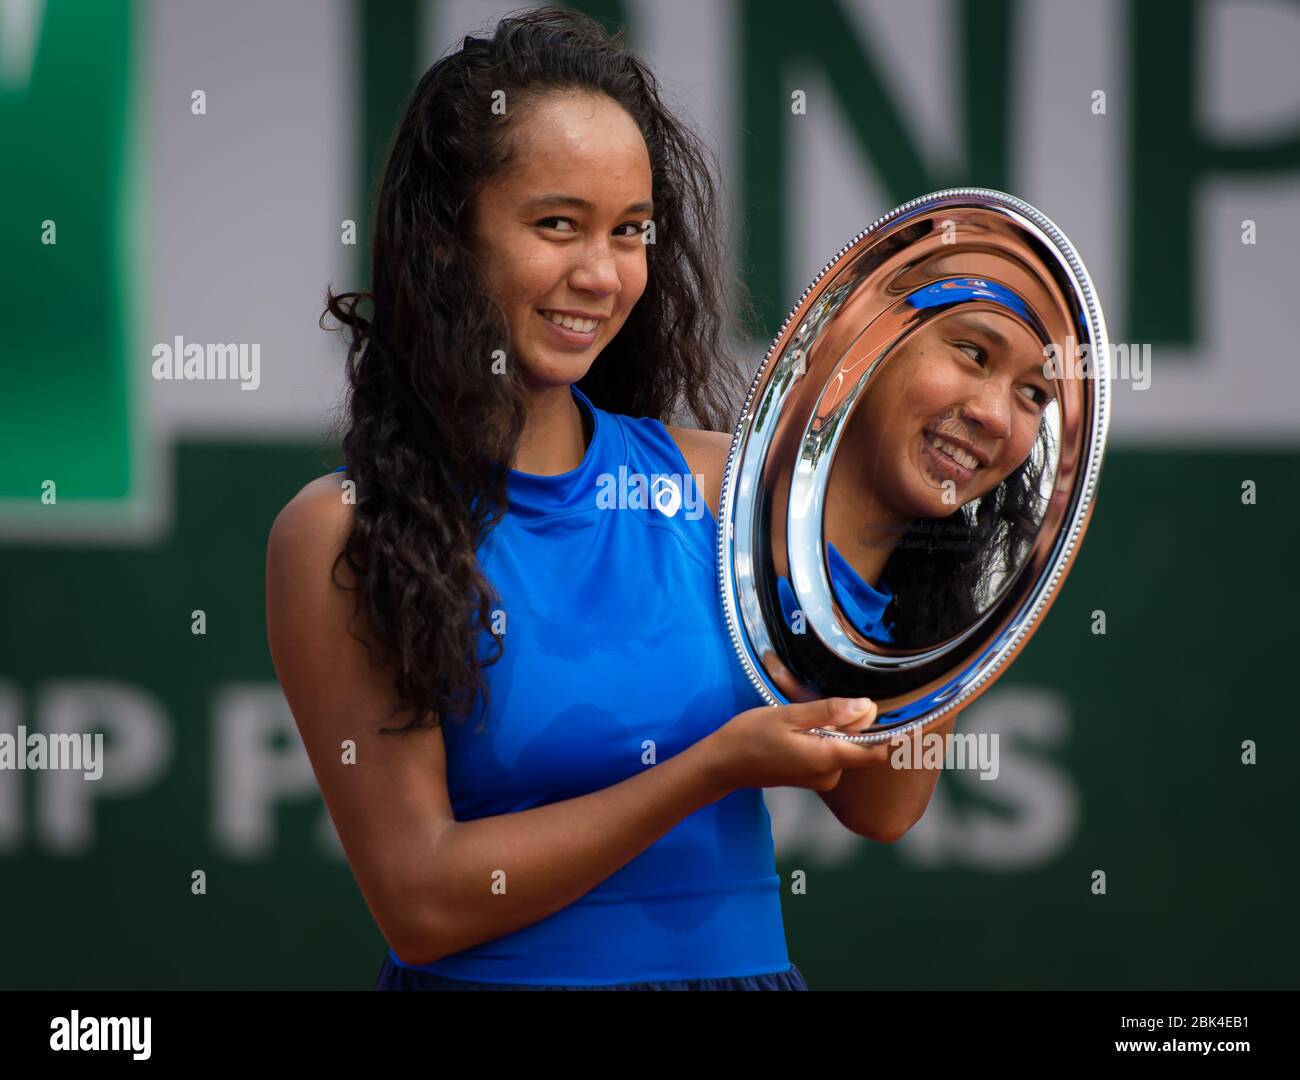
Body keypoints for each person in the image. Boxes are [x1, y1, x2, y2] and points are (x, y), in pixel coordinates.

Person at [265, 6, 950, 992]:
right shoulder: (340, 532)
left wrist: (955, 545)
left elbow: (882, 805)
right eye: (557, 225)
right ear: (445, 239)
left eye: (630, 232)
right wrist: (707, 770)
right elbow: (422, 902)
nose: (601, 273)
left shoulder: (732, 485)